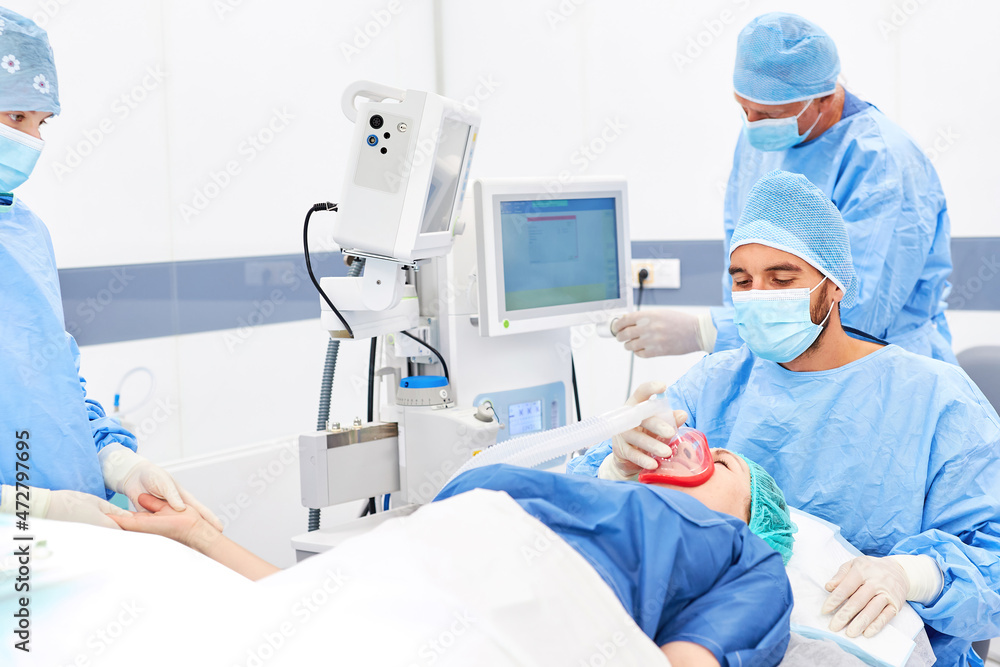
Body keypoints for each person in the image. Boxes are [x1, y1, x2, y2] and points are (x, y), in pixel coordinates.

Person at [571, 171, 1000, 667]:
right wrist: (616, 468)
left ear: (833, 284)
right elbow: (588, 511)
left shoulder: (934, 399)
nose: (759, 295)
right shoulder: (715, 383)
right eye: (742, 281)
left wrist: (913, 574)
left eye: (782, 278)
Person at [112, 455, 797, 666]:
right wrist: (198, 536)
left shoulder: (750, 555)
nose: (689, 444)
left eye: (724, 458)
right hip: (428, 567)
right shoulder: (561, 484)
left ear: (749, 505)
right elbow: (320, 601)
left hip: (535, 611)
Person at [614, 12, 956, 365]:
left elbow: (857, 308)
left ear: (823, 99)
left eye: (768, 114)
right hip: (779, 362)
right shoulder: (759, 139)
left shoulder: (883, 162)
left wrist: (713, 330)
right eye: (743, 108)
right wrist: (740, 335)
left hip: (879, 367)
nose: (752, 124)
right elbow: (742, 257)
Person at [0, 8, 220, 531]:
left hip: (62, 542)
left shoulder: (23, 232)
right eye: (15, 117)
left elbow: (51, 384)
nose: (32, 140)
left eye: (42, 122)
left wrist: (117, 462)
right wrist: (36, 507)